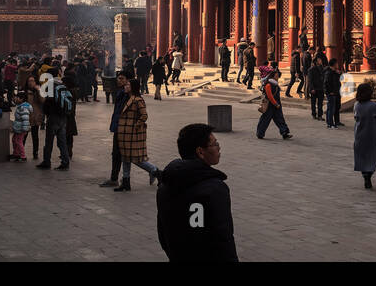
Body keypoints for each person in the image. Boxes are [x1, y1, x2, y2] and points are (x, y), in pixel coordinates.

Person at [156, 123, 237, 262]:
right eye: (215, 143)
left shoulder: (165, 185)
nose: (219, 147)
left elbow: (163, 232)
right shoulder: (214, 189)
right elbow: (223, 237)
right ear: (200, 152)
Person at [113, 77, 160, 190]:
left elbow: (144, 115)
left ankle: (156, 171)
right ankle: (126, 182)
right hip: (124, 134)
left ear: (133, 87)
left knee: (134, 158)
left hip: (132, 134)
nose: (125, 86)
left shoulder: (138, 100)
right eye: (126, 85)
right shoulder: (127, 98)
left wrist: (136, 126)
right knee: (125, 157)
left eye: (128, 85)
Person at [37, 69, 73, 170]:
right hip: (63, 116)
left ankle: (46, 161)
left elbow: (46, 101)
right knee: (62, 141)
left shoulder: (50, 84)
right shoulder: (61, 84)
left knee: (49, 141)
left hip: (53, 116)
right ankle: (65, 162)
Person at [353, 82, 376, 188]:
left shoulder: (356, 105)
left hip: (359, 134)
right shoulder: (374, 106)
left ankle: (365, 175)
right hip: (371, 135)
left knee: (362, 157)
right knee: (371, 158)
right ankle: (368, 175)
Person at [256, 68, 292, 140]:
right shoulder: (268, 84)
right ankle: (260, 133)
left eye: (278, 76)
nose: (277, 77)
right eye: (276, 76)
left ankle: (284, 132)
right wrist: (276, 104)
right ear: (272, 76)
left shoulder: (275, 84)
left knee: (280, 119)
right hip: (270, 105)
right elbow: (270, 96)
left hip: (277, 104)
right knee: (265, 120)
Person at [20, 74, 44, 160]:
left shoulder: (39, 90)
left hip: (36, 116)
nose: (31, 82)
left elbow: (43, 100)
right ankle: (21, 153)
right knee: (23, 136)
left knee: (35, 136)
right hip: (26, 117)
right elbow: (17, 102)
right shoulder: (24, 91)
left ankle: (35, 153)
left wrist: (38, 90)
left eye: (33, 81)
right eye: (29, 81)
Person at [10, 89, 32, 162]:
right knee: (14, 140)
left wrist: (25, 129)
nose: (16, 98)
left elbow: (25, 119)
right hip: (18, 127)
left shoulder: (23, 108)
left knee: (18, 141)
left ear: (22, 99)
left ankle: (22, 156)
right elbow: (14, 102)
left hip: (21, 128)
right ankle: (16, 154)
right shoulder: (20, 106)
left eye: (17, 97)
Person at [324, 58, 343, 128]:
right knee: (331, 109)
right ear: (334, 64)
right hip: (331, 93)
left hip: (336, 92)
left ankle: (336, 122)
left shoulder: (334, 72)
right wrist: (329, 92)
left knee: (336, 107)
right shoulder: (328, 73)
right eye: (337, 63)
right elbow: (326, 84)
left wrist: (339, 74)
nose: (338, 65)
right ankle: (330, 123)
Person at [307, 54, 326, 120]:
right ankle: (314, 114)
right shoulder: (311, 69)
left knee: (320, 103)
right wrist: (312, 88)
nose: (320, 61)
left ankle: (320, 115)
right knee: (313, 102)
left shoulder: (322, 68)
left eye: (320, 60)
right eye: (319, 60)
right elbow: (310, 80)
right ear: (316, 61)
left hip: (320, 87)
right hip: (314, 88)